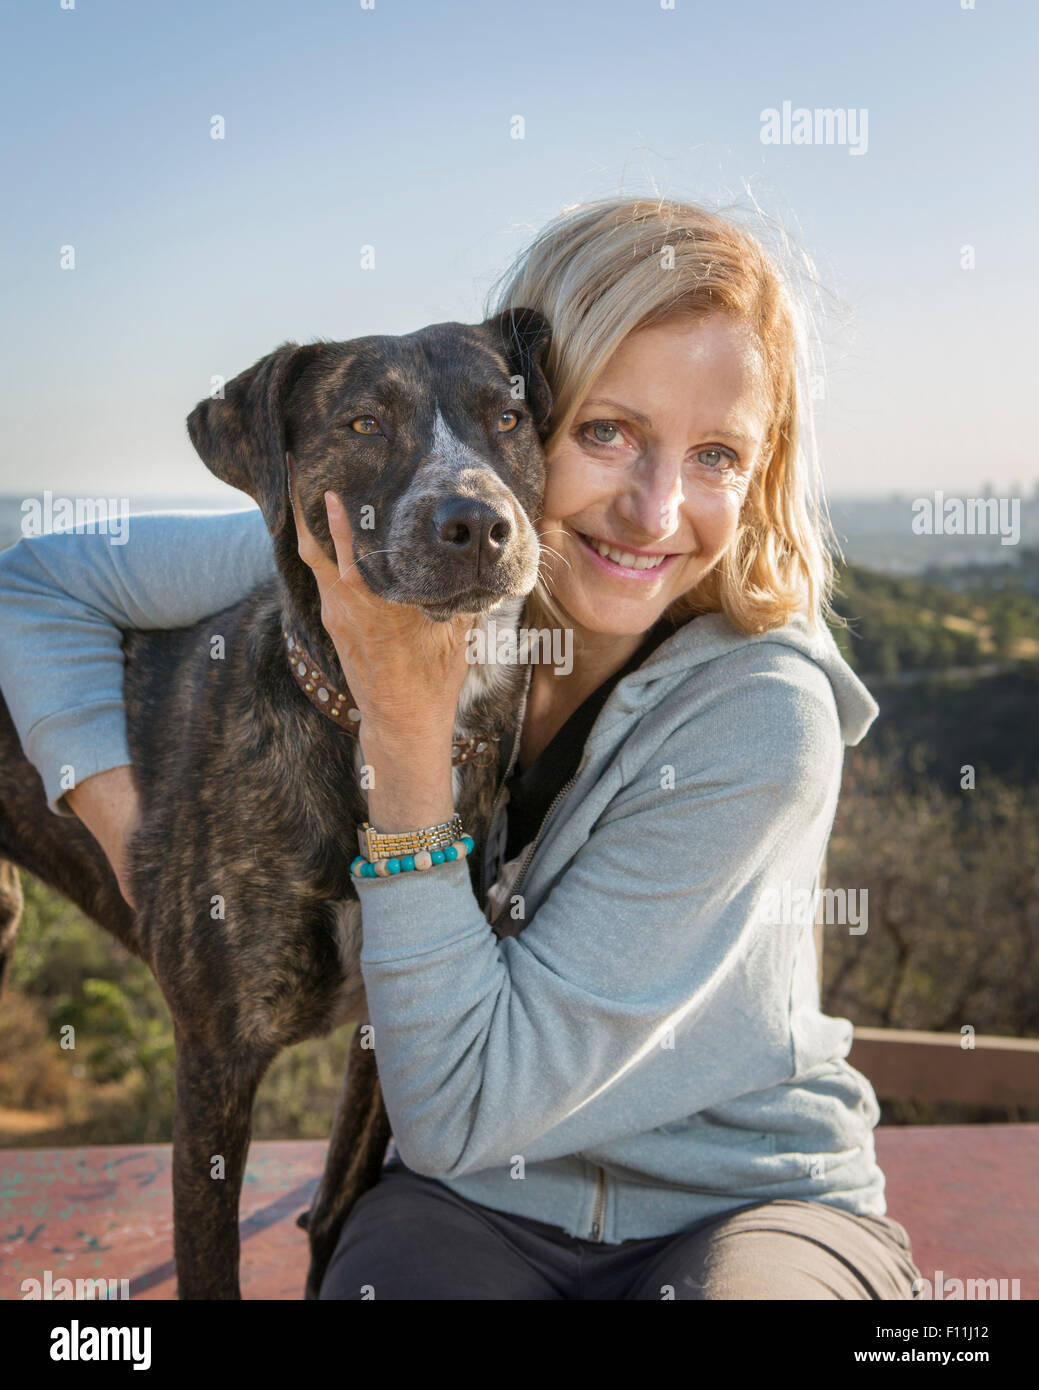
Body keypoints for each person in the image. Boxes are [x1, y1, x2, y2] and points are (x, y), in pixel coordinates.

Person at [0, 195, 922, 1300]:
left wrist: (399, 726)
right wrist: (123, 825)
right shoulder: (365, 559)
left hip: (742, 1198)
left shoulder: (763, 716)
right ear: (543, 415)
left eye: (715, 453)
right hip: (478, 1197)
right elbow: (35, 579)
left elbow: (455, 1098)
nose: (651, 506)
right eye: (604, 431)